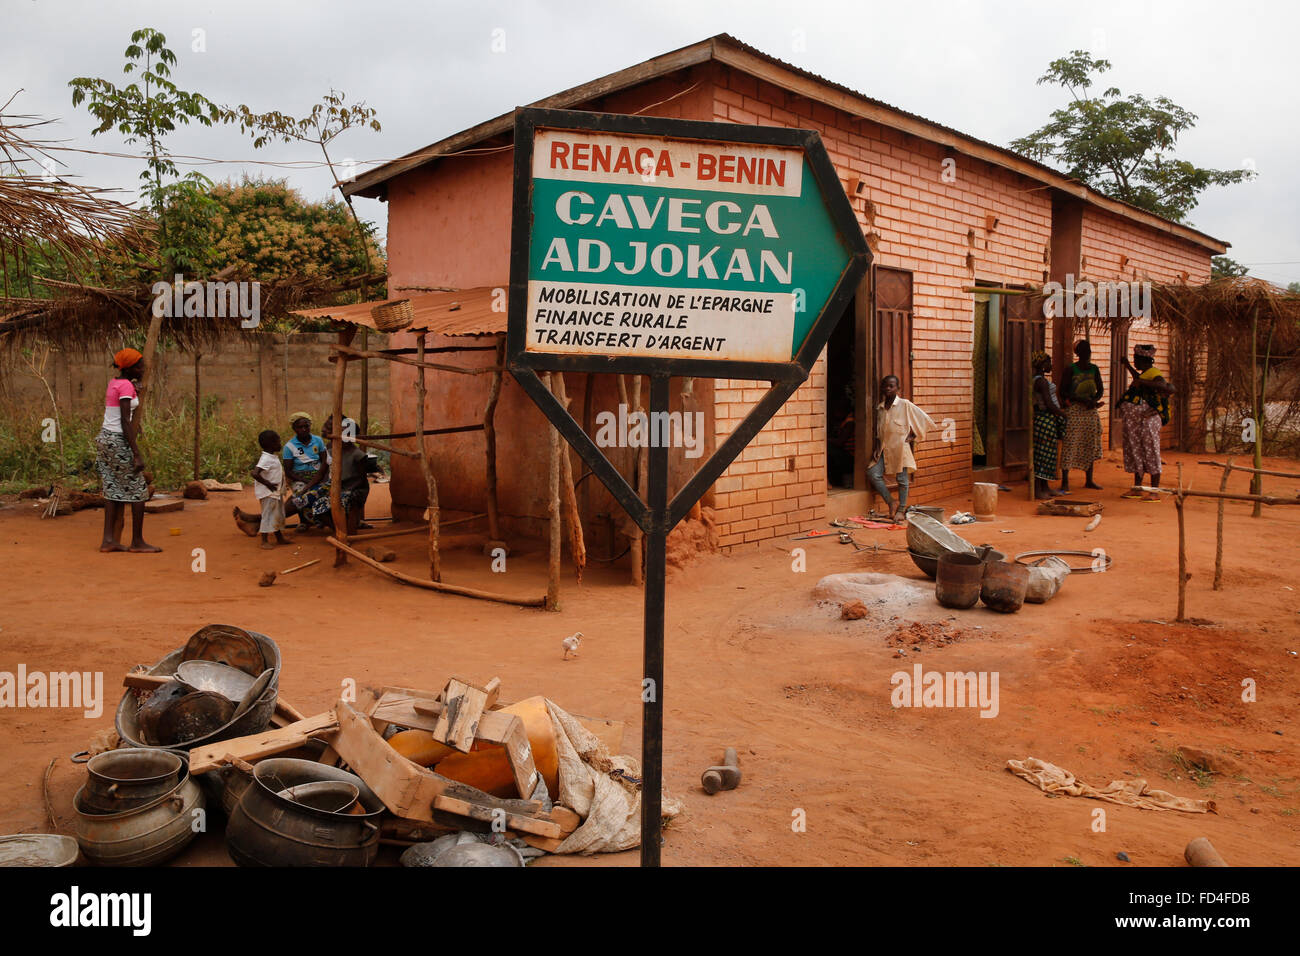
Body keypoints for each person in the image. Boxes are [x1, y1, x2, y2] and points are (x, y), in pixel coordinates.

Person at [95, 348, 160, 553]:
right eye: (139, 366)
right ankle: (137, 541)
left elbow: (124, 402)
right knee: (140, 491)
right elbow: (125, 421)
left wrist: (134, 389)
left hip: (104, 439)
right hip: (117, 440)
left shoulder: (115, 383)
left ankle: (108, 540)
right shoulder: (125, 386)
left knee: (112, 490)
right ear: (130, 367)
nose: (143, 369)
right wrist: (136, 454)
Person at [867, 374, 936, 522]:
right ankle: (891, 501)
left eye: (891, 386)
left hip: (900, 449)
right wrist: (877, 447)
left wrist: (913, 437)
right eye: (885, 386)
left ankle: (901, 509)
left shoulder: (905, 405)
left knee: (902, 479)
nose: (888, 388)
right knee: (873, 473)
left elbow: (924, 420)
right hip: (884, 449)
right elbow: (880, 432)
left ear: (898, 388)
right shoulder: (880, 408)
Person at [1117, 343, 1174, 500]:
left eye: (1135, 359)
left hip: (1148, 421)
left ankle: (1154, 491)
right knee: (1137, 451)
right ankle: (1137, 488)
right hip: (1137, 421)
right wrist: (1127, 365)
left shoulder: (1154, 374)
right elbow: (1138, 378)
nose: (1134, 362)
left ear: (1143, 360)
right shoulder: (1145, 373)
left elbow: (1164, 386)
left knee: (1151, 452)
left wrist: (1141, 382)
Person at [1060, 339, 1105, 493]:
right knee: (1070, 444)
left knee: (1089, 443)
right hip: (1074, 410)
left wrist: (1094, 400)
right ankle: (1065, 481)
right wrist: (1080, 399)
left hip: (1090, 411)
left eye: (1088, 350)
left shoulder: (1094, 369)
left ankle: (1089, 479)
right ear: (1078, 353)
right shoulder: (1071, 370)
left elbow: (1100, 389)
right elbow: (1063, 391)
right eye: (1084, 350)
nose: (1087, 353)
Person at [282, 412, 333, 529]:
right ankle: (305, 520)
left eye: (307, 426)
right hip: (299, 478)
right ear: (294, 428)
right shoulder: (289, 447)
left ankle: (315, 519)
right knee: (302, 494)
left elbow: (324, 462)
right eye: (300, 427)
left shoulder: (318, 441)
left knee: (320, 493)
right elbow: (289, 471)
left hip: (319, 476)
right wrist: (305, 481)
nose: (304, 429)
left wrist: (321, 479)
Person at [1032, 352, 1067, 500]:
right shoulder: (1041, 382)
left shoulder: (1040, 380)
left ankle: (1045, 487)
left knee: (1048, 455)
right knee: (1042, 456)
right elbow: (1048, 403)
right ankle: (1038, 490)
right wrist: (1062, 414)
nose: (1050, 365)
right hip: (1044, 420)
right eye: (1048, 362)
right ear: (1042, 364)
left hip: (1046, 419)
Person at [248, 430, 291, 549]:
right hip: (269, 494)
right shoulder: (266, 458)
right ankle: (264, 541)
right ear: (271, 444)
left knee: (276, 515)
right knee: (268, 515)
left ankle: (279, 538)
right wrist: (268, 484)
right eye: (278, 441)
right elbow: (255, 473)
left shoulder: (271, 457)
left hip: (274, 493)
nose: (280, 444)